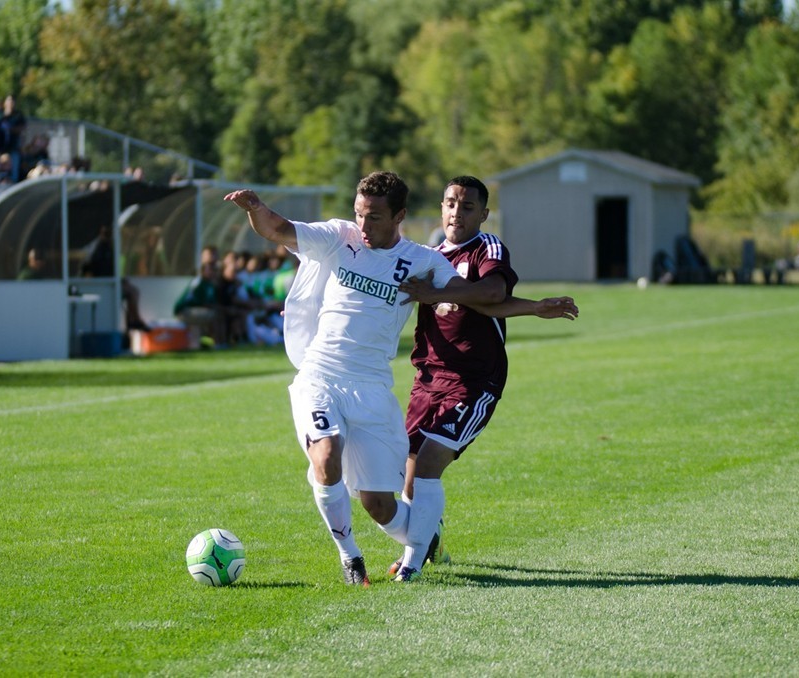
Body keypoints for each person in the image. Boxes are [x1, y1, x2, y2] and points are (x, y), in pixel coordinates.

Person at [224, 171, 507, 586]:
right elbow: (278, 229)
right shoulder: (340, 237)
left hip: (373, 389)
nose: (363, 226)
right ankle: (351, 556)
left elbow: (481, 297)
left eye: (374, 217)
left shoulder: (423, 262)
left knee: (379, 504)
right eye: (359, 214)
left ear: (400, 216)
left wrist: (533, 308)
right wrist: (254, 208)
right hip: (320, 375)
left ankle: (424, 540)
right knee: (326, 456)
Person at [392, 176, 579, 582]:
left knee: (426, 467)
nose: (457, 212)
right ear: (441, 207)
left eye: (467, 206)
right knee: (405, 479)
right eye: (450, 203)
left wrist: (437, 294)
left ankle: (411, 563)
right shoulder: (429, 255)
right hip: (426, 379)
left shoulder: (487, 248)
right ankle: (430, 537)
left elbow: (492, 295)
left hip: (474, 381)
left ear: (483, 214)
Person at [80, 225, 150, 332]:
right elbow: (97, 269)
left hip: (111, 283)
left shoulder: (108, 247)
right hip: (104, 286)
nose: (109, 236)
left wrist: (120, 280)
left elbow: (110, 269)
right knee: (132, 292)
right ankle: (134, 320)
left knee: (133, 292)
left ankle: (133, 320)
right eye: (107, 233)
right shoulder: (98, 248)